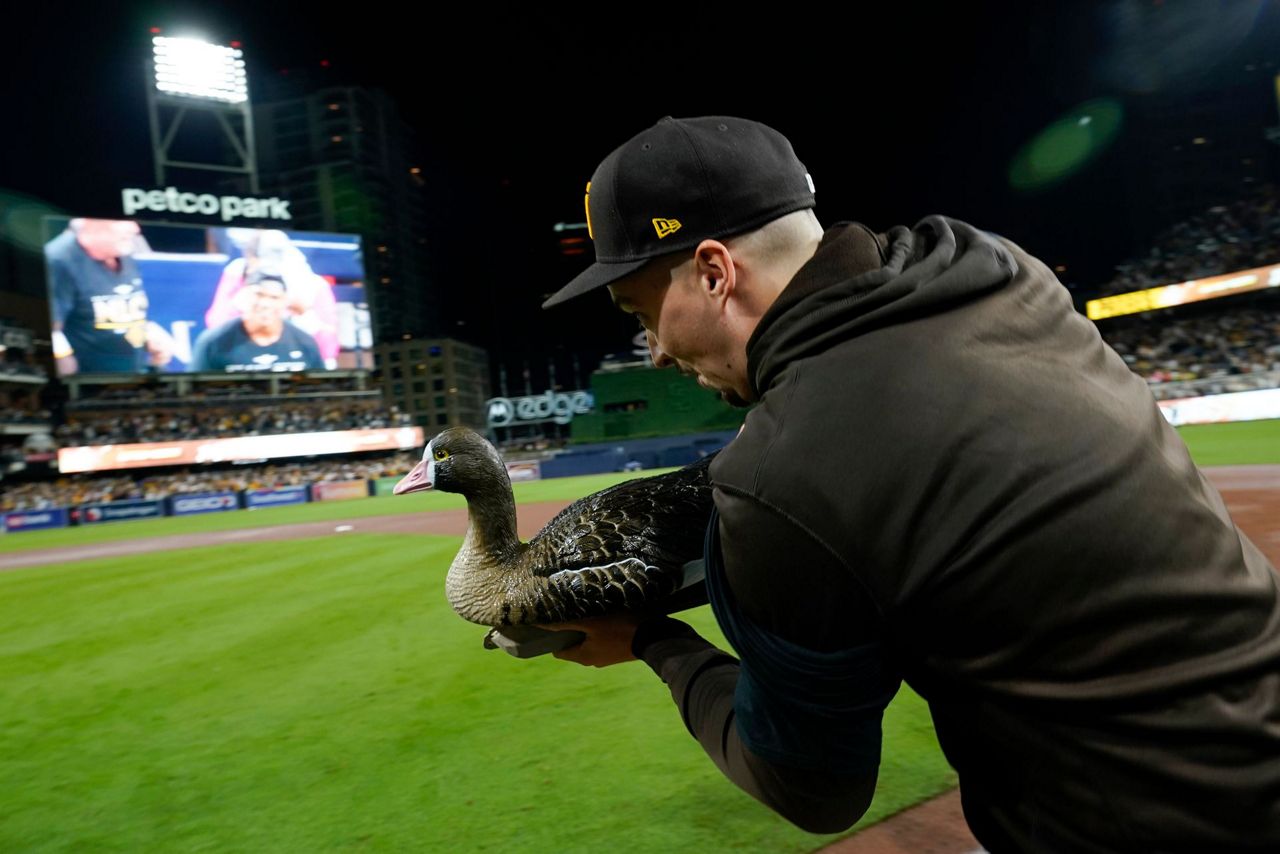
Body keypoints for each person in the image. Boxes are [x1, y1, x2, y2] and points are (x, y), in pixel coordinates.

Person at [539, 116, 1280, 850]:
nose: (657, 353)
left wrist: (651, 640)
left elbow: (810, 786)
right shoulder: (993, 268)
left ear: (713, 272)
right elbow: (890, 451)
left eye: (644, 314)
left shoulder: (785, 476)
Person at [44, 218, 175, 376]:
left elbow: (123, 302)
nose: (135, 228)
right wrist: (65, 364)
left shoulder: (123, 249)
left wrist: (149, 332)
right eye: (122, 220)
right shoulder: (58, 259)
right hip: (91, 382)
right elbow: (50, 326)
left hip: (134, 375)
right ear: (91, 223)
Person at [205, 229, 341, 368]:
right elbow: (215, 327)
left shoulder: (311, 283)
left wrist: (303, 314)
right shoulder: (238, 273)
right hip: (241, 362)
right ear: (252, 260)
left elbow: (328, 353)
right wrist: (241, 304)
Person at [189, 270, 324, 373]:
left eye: (274, 297)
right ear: (243, 298)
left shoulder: (305, 342)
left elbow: (323, 390)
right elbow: (192, 392)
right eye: (258, 295)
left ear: (285, 302)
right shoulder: (213, 342)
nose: (265, 303)